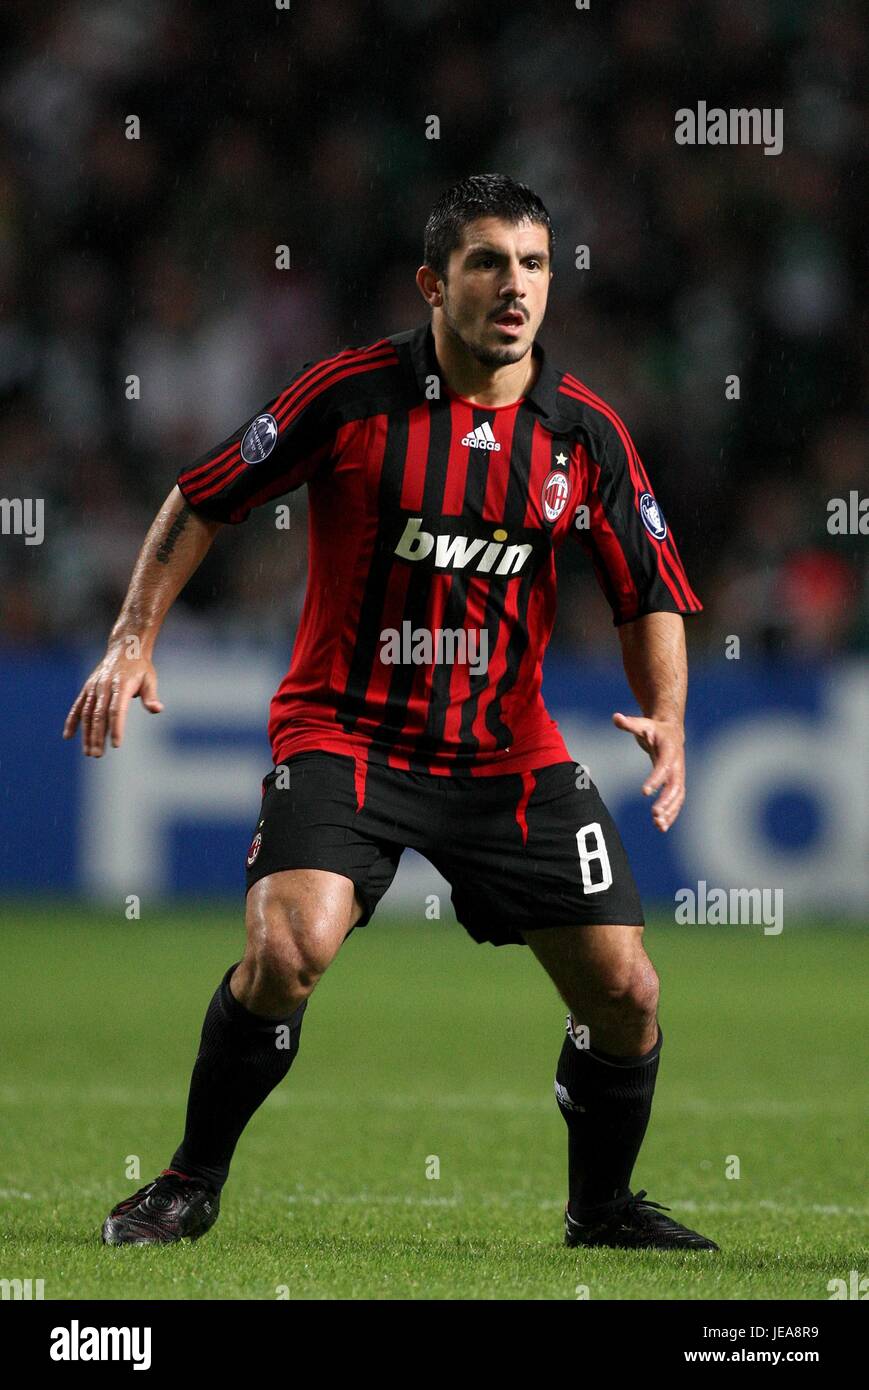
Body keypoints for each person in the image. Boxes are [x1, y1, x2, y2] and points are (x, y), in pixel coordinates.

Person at [64, 173, 716, 1251]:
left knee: (626, 991)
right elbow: (204, 493)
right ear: (433, 283)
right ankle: (186, 1181)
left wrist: (668, 716)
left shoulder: (584, 434)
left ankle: (599, 1210)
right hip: (346, 735)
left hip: (505, 754)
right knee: (287, 950)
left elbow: (648, 588)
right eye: (487, 262)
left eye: (534, 264)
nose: (515, 286)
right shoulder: (349, 394)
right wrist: (133, 636)